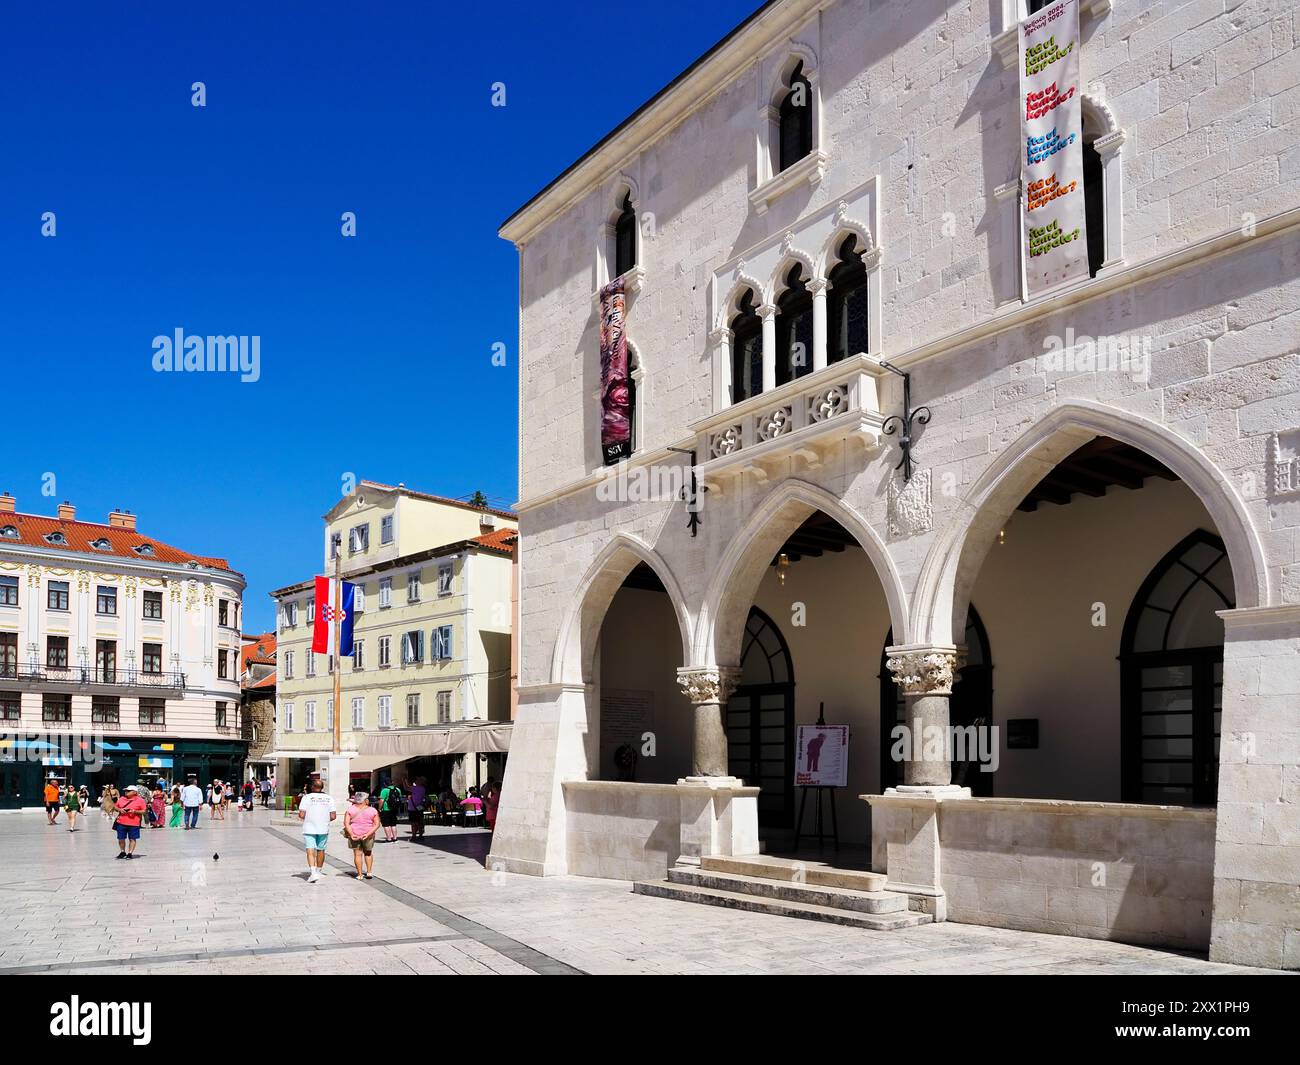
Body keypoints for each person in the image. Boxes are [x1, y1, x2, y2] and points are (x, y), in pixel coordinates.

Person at [297, 778, 336, 883]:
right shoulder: (329, 798)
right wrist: (323, 819)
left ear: (312, 787)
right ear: (322, 787)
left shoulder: (306, 797)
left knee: (310, 850)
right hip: (323, 828)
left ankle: (313, 873)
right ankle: (319, 871)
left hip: (309, 828)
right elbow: (333, 816)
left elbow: (301, 814)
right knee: (321, 850)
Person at [343, 791, 380, 879]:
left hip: (355, 834)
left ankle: (359, 874)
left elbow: (346, 823)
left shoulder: (350, 810)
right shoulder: (372, 810)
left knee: (357, 854)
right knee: (368, 853)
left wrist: (351, 834)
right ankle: (369, 872)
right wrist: (368, 834)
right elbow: (377, 824)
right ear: (366, 800)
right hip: (369, 835)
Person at [114, 785, 147, 859]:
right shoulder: (122, 798)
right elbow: (115, 806)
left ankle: (130, 853)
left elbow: (144, 811)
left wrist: (135, 811)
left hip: (134, 823)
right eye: (126, 790)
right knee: (121, 838)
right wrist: (120, 810)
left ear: (135, 792)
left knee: (132, 838)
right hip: (121, 822)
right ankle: (122, 852)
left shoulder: (140, 800)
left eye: (128, 791)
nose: (126, 792)